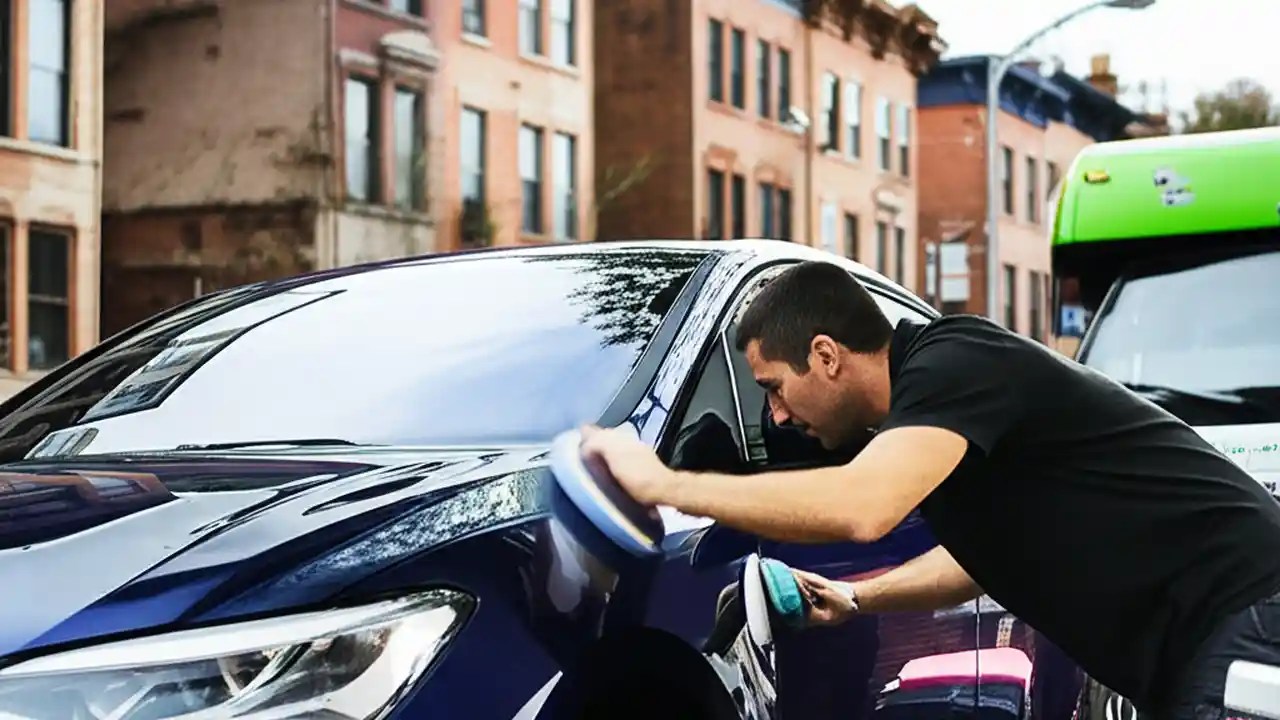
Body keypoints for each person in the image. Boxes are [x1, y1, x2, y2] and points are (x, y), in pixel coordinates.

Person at [579, 260, 1280, 720]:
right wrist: (859, 599)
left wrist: (667, 483)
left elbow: (863, 507)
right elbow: (978, 560)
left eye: (774, 389)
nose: (777, 416)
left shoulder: (956, 362)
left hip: (1245, 608)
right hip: (1209, 635)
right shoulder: (936, 423)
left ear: (825, 356)